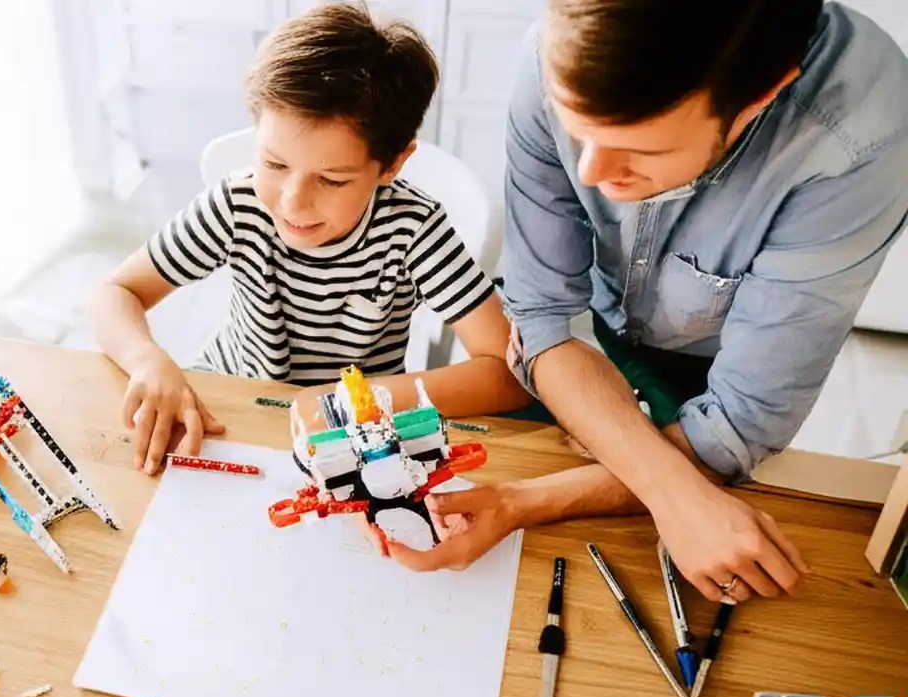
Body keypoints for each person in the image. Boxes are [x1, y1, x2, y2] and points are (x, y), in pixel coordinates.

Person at [387, 0, 908, 603]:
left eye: (641, 152)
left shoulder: (861, 138)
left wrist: (532, 500)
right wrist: (674, 493)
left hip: (706, 369)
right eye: (578, 131)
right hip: (587, 330)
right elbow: (544, 317)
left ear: (759, 98)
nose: (588, 172)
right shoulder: (552, 52)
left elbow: (738, 424)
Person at [89, 2, 529, 476]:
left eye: (332, 180)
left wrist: (352, 400)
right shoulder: (238, 203)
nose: (293, 202)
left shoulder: (412, 228)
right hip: (226, 407)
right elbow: (114, 293)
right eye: (275, 165)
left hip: (352, 433)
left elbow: (510, 373)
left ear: (394, 165)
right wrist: (147, 360)